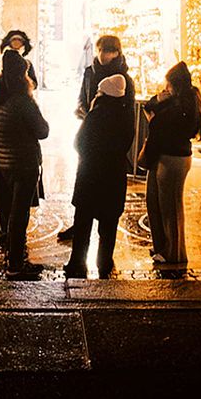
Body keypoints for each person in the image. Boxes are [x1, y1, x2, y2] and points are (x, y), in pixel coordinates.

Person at [58, 34, 135, 244]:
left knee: (106, 204)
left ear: (117, 53)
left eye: (108, 51)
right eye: (100, 50)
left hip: (110, 144)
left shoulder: (123, 79)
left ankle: (103, 251)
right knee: (86, 193)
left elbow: (127, 120)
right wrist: (84, 111)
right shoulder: (90, 72)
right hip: (90, 136)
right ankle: (80, 229)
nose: (103, 55)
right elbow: (82, 97)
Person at [64, 73, 135, 279]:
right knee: (108, 226)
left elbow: (78, 143)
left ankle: (77, 263)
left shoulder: (95, 115)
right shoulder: (126, 116)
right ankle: (104, 263)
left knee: (83, 224)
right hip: (114, 177)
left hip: (90, 176)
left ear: (104, 94)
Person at [0, 48, 50, 276]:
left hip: (2, 162)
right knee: (19, 214)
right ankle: (15, 264)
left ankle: (11, 257)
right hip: (24, 163)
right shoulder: (22, 101)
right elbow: (43, 131)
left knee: (8, 210)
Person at [141, 61, 201, 271]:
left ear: (175, 84)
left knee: (171, 208)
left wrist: (155, 119)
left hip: (173, 159)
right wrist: (158, 100)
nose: (165, 87)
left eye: (168, 84)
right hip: (162, 156)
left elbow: (158, 126)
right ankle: (162, 248)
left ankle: (175, 254)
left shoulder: (183, 105)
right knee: (156, 203)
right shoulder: (174, 101)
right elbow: (149, 108)